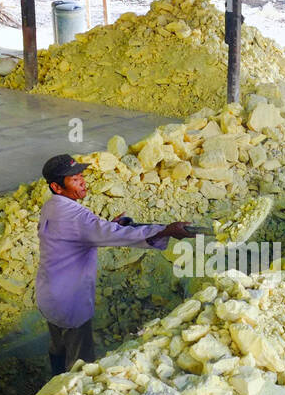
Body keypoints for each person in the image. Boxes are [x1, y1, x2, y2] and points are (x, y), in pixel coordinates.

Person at [36, 154, 193, 374]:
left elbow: (81, 234)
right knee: (80, 360)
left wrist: (107, 227)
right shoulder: (77, 216)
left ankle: (54, 378)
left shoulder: (52, 206)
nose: (82, 181)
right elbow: (116, 235)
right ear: (57, 186)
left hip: (49, 293)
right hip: (70, 300)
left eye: (81, 175)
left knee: (58, 342)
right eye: (74, 178)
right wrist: (166, 231)